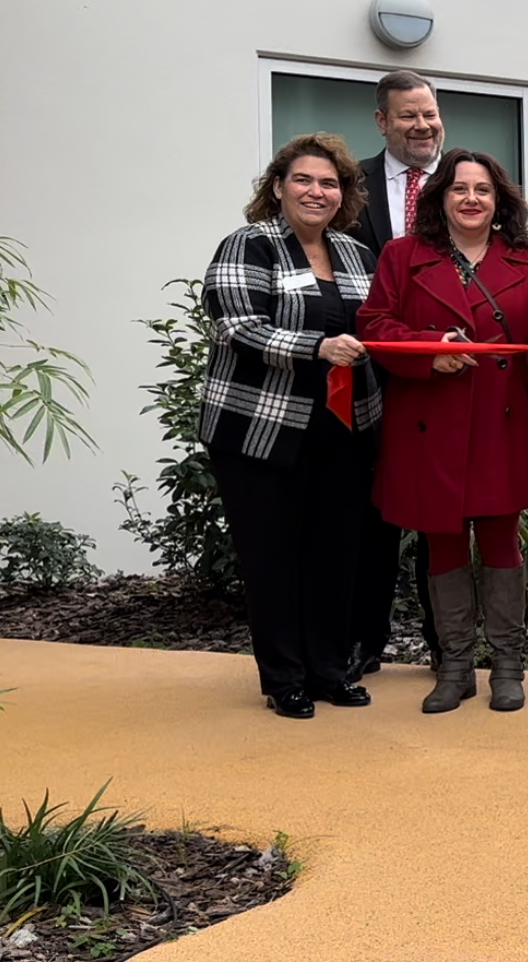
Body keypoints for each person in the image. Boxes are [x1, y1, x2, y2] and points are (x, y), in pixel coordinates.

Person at [359, 148, 528, 715]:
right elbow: (375, 324)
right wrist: (430, 354)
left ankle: (508, 667)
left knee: (502, 540)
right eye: (459, 189)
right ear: (440, 198)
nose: (471, 199)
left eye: (482, 189)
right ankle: (454, 667)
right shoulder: (403, 255)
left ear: (499, 199)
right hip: (430, 420)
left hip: (499, 416)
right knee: (442, 540)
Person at [200, 133, 381, 719]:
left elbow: (382, 326)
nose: (316, 191)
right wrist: (318, 347)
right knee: (272, 557)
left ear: (344, 195)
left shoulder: (355, 253)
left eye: (329, 183)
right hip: (262, 432)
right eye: (303, 180)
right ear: (278, 187)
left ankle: (328, 670)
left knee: (336, 554)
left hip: (344, 430)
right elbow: (237, 327)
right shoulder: (249, 245)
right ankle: (285, 678)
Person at [343, 69, 448, 681]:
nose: (422, 125)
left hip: (445, 370)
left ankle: (447, 643)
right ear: (382, 121)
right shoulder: (348, 187)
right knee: (369, 513)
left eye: (430, 113)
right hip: (367, 372)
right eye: (408, 115)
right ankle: (365, 640)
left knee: (441, 511)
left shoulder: (466, 186)